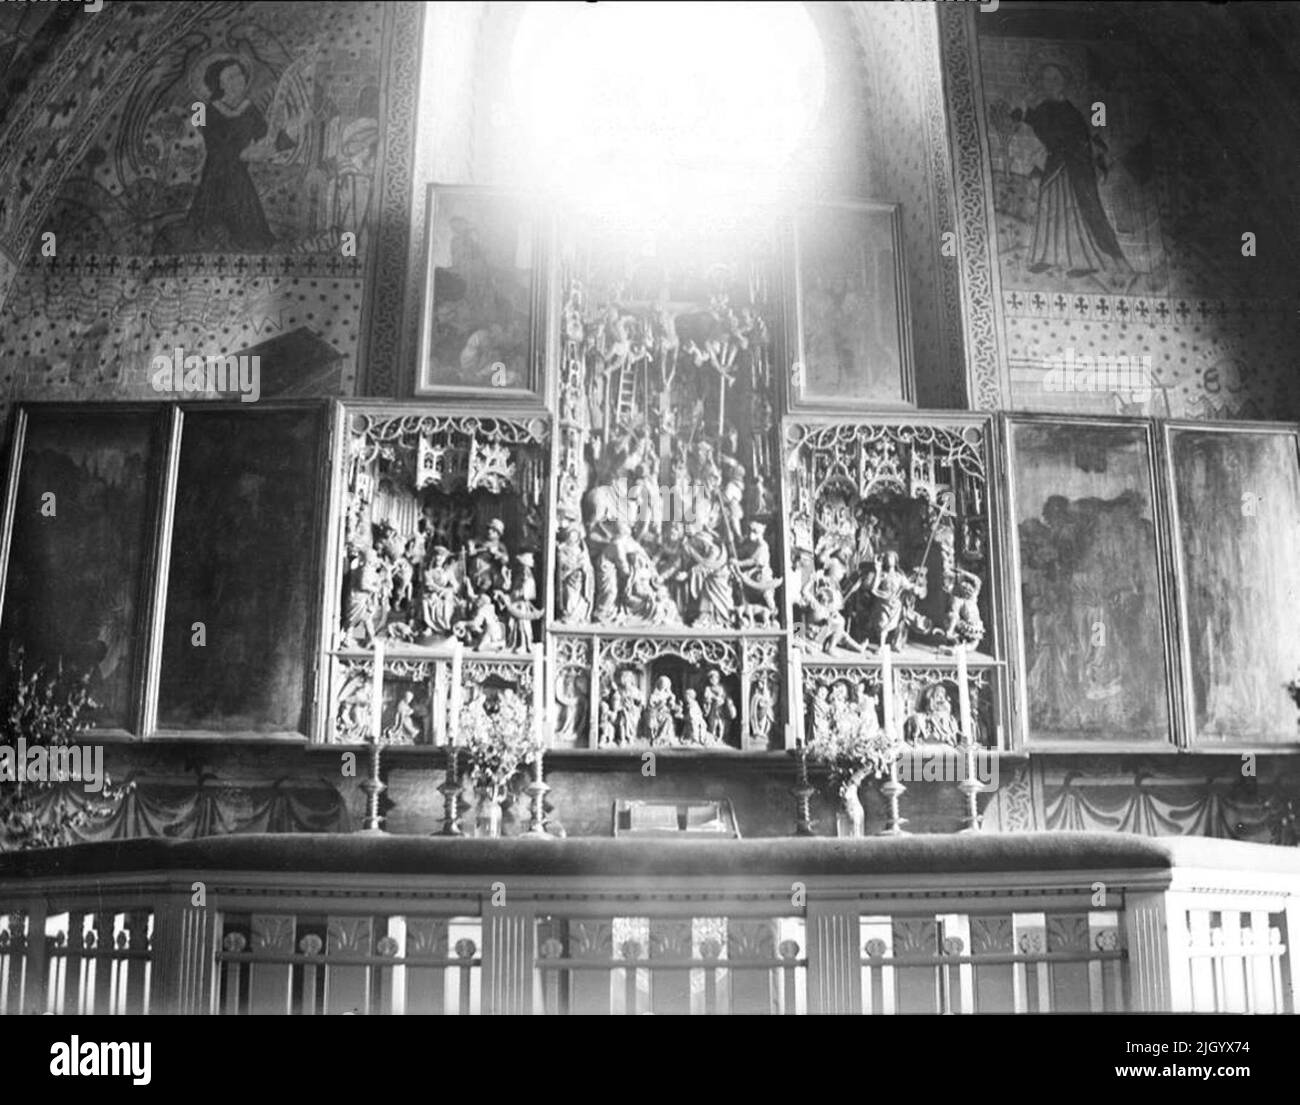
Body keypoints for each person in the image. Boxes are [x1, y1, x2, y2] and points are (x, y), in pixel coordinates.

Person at [1015, 63, 1128, 279]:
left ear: (1064, 82)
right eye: (1047, 79)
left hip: (1075, 169)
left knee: (1075, 212)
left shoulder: (1072, 111)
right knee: (1050, 210)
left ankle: (1083, 260)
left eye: (1056, 78)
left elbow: (1083, 135)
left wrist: (1097, 152)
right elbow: (1041, 129)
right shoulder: (1043, 109)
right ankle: (1046, 257)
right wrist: (1025, 114)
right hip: (1055, 167)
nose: (1052, 83)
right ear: (1041, 83)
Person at [187, 58, 275, 251]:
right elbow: (212, 143)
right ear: (221, 83)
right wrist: (242, 153)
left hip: (240, 172)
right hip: (217, 173)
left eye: (240, 74)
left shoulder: (249, 108)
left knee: (251, 230)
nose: (239, 79)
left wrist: (265, 147)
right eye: (231, 76)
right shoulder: (210, 110)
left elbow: (264, 134)